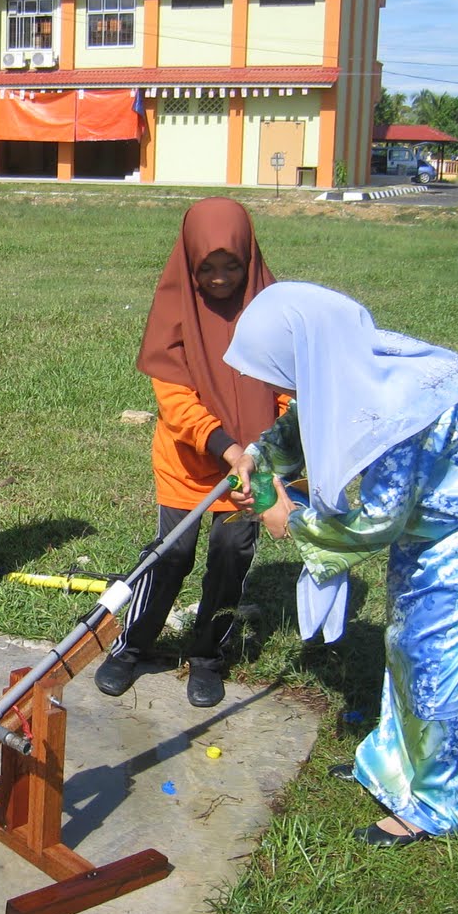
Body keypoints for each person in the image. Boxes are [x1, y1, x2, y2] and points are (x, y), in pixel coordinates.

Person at [224, 281, 458, 847]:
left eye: (277, 369)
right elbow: (306, 420)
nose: (274, 383)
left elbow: (376, 521)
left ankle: (438, 801)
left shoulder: (396, 404)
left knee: (441, 649)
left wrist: (288, 520)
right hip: (439, 505)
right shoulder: (348, 362)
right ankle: (394, 766)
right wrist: (258, 454)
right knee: (406, 635)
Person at [97, 198, 286, 708]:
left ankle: (208, 655)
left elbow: (290, 392)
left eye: (232, 266)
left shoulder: (273, 312)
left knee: (231, 556)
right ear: (188, 264)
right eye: (207, 268)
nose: (220, 278)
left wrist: (266, 448)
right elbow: (176, 402)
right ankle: (132, 645)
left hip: (253, 465)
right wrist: (226, 447)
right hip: (190, 460)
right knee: (171, 553)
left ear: (250, 260)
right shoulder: (174, 310)